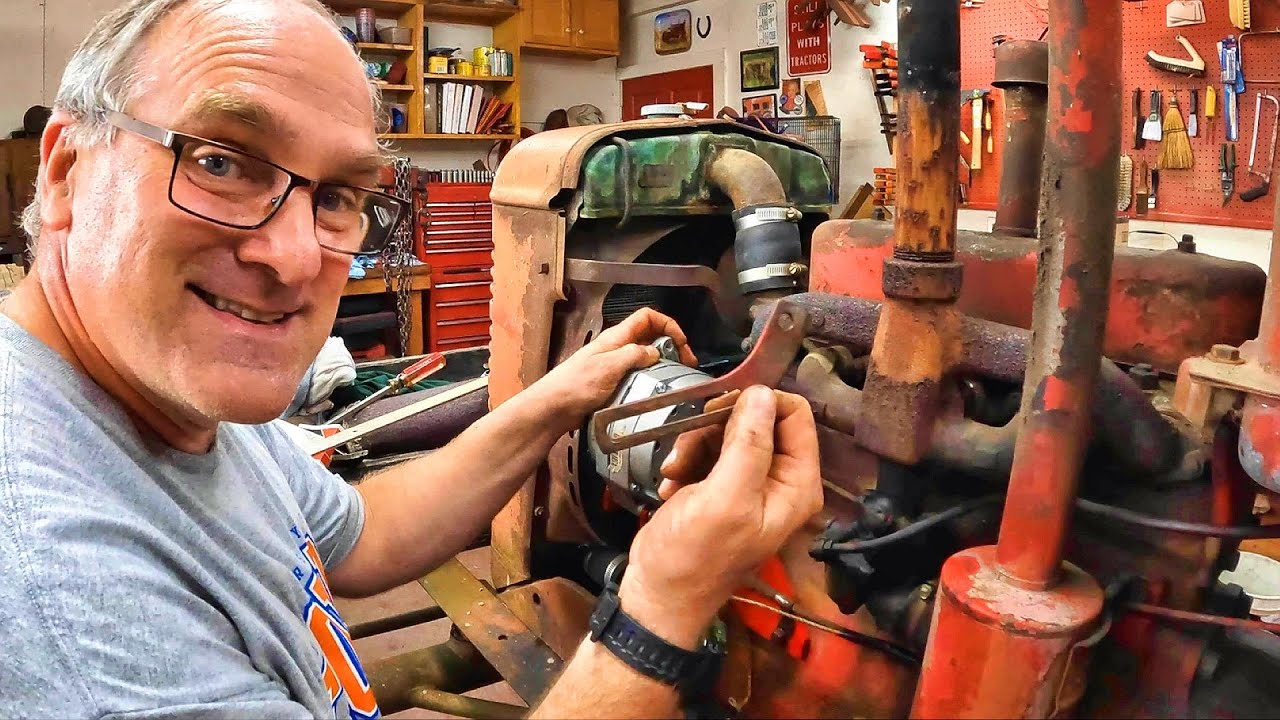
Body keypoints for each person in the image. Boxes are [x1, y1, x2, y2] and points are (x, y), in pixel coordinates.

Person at [0, 0, 823, 717]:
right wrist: (662, 608)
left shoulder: (167, 395)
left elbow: (365, 538)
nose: (292, 255)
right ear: (69, 172)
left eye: (337, 196)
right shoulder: (61, 596)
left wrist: (560, 395)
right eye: (220, 161)